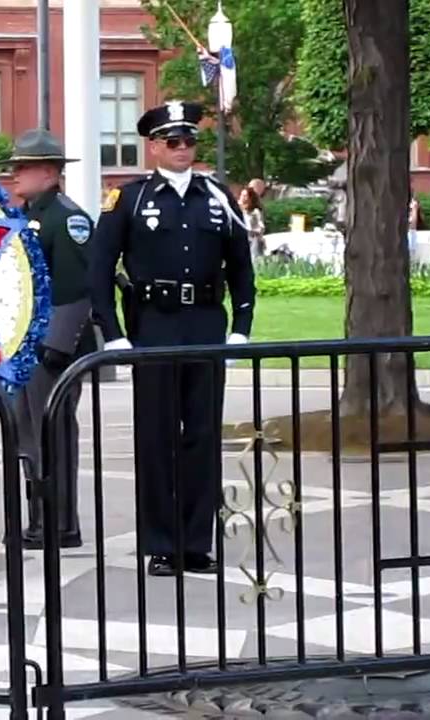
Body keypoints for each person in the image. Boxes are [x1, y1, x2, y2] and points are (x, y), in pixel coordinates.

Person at [89, 100, 256, 577]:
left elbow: (240, 267)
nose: (184, 149)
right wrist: (116, 335)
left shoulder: (216, 196)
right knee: (158, 436)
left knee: (203, 436)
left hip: (205, 322)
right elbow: (100, 270)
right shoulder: (131, 198)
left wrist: (241, 328)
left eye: (190, 141)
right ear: (154, 146)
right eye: (173, 142)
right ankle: (162, 543)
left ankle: (196, 542)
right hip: (154, 323)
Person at [0, 129, 95, 550]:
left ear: (49, 172)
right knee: (27, 431)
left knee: (51, 431)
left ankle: (59, 522)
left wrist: (56, 346)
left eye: (23, 167)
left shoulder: (66, 217)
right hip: (25, 345)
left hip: (50, 348)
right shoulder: (26, 214)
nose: (14, 175)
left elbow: (77, 289)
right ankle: (40, 518)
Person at [238, 186, 265, 257]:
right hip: (240, 240)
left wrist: (253, 231)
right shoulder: (237, 210)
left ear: (250, 198)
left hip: (252, 240)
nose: (242, 198)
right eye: (241, 195)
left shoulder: (255, 212)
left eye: (245, 196)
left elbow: (261, 227)